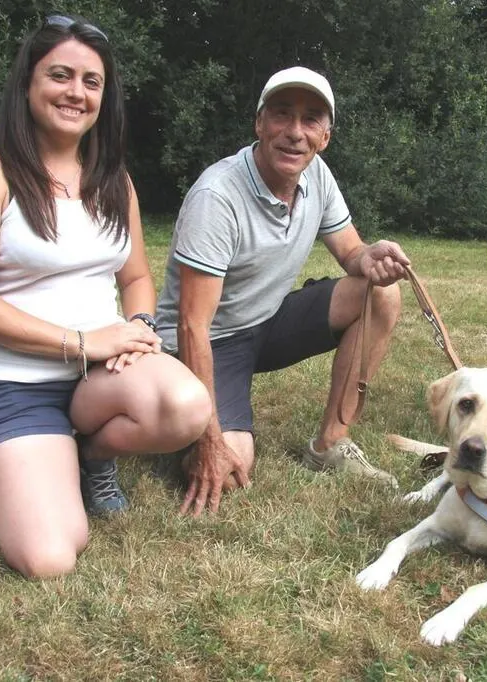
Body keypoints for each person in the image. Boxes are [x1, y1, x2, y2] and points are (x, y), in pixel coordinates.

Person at [0, 15, 212, 578]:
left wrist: (136, 329)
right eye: (59, 75)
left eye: (91, 82)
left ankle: (93, 454)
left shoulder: (115, 180)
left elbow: (136, 277)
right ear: (28, 84)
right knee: (50, 556)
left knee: (188, 407)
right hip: (14, 384)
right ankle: (44, 455)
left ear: (103, 99)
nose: (75, 92)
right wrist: (85, 341)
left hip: (99, 377)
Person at [154, 66, 412, 516]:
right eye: (281, 114)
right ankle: (175, 424)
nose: (295, 132)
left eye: (311, 119)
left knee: (380, 294)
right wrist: (207, 439)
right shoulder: (217, 196)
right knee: (234, 469)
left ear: (325, 136)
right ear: (259, 123)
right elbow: (192, 325)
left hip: (265, 322)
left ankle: (330, 443)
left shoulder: (318, 177)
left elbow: (352, 253)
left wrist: (371, 257)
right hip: (208, 341)